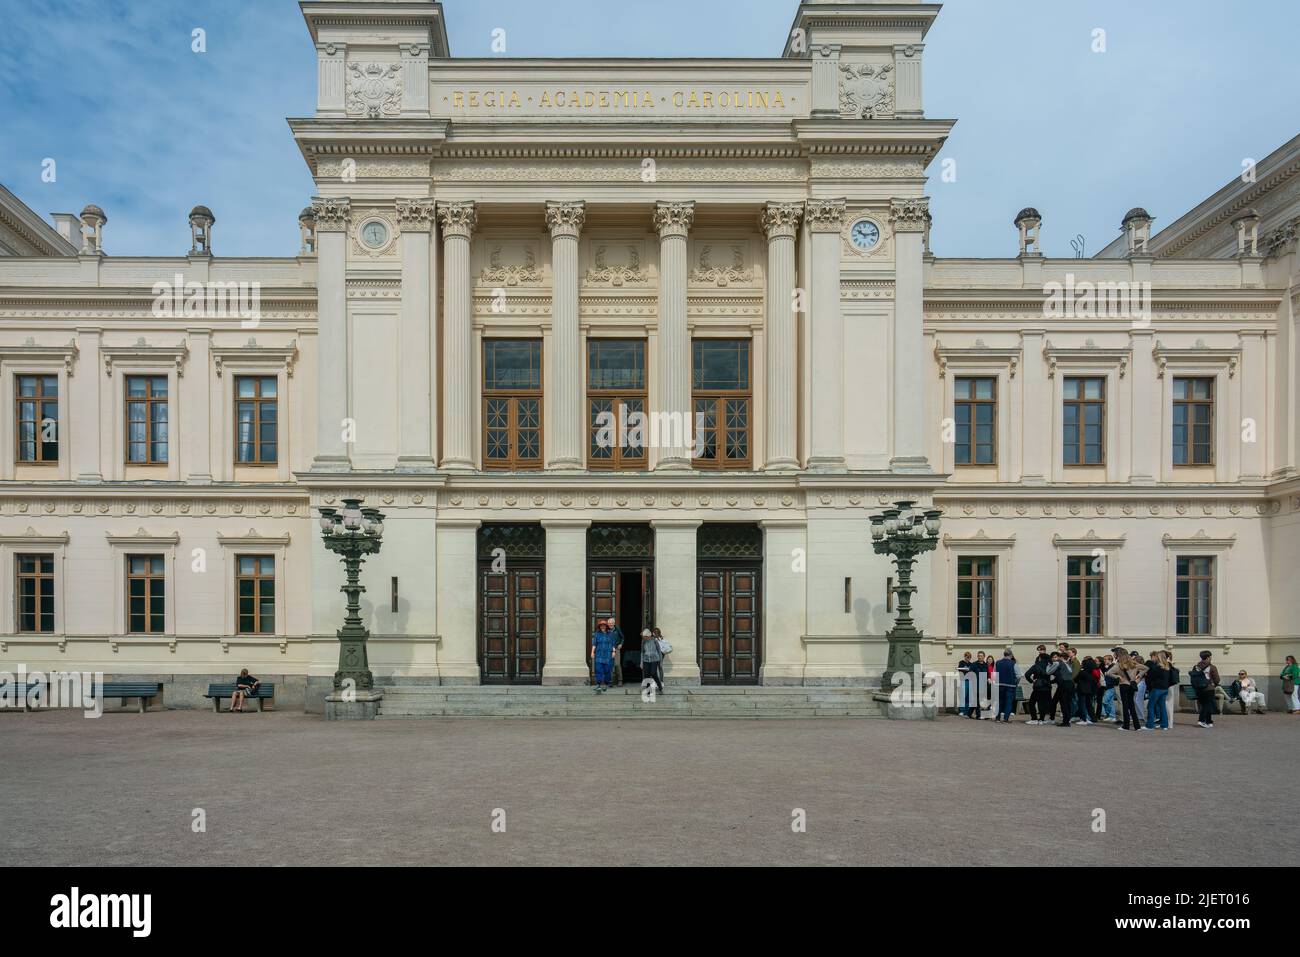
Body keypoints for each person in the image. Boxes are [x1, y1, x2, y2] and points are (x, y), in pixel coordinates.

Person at [1107, 650, 1146, 732]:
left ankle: (1126, 726)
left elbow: (1108, 673)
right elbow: (1146, 668)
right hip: (1132, 685)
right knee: (1132, 705)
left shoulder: (1119, 665)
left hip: (1123, 685)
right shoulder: (1134, 664)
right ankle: (1137, 726)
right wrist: (1139, 676)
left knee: (1125, 706)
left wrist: (1118, 677)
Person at [1190, 650, 1220, 728]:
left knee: (1204, 705)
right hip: (1209, 688)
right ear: (1208, 657)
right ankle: (1201, 720)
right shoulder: (1212, 667)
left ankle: (1209, 721)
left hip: (1199, 689)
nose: (1211, 658)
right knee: (1207, 705)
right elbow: (1217, 679)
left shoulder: (1196, 667)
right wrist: (1214, 684)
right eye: (1210, 657)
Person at [1142, 650, 1171, 731]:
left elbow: (1150, 677)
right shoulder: (1167, 667)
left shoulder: (1157, 668)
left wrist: (1147, 675)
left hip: (1157, 689)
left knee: (1150, 706)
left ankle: (1149, 725)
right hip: (1165, 689)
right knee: (1162, 707)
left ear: (1159, 658)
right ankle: (1164, 725)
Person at [1024, 649, 1053, 725]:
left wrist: (1032, 681)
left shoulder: (1036, 666)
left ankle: (1034, 718)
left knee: (1032, 703)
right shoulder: (1050, 666)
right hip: (1047, 686)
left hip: (1038, 687)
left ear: (1040, 658)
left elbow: (1027, 674)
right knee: (1043, 703)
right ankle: (1041, 719)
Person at [1047, 651, 1075, 728]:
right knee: (1061, 702)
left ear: (1059, 657)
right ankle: (1066, 719)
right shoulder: (1066, 664)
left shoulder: (1057, 663)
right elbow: (1066, 673)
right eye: (1053, 657)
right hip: (1069, 684)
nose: (1054, 658)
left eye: (1056, 657)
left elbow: (1048, 672)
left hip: (1064, 685)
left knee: (1064, 703)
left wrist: (1049, 665)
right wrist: (1052, 681)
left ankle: (1066, 722)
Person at [591, 621, 618, 692]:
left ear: (606, 626)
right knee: (598, 670)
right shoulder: (597, 634)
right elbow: (594, 644)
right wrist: (592, 652)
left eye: (604, 626)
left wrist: (614, 652)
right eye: (601, 626)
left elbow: (613, 644)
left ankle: (606, 685)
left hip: (608, 655)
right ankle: (599, 685)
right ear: (599, 627)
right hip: (599, 654)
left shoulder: (611, 634)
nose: (603, 627)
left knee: (607, 670)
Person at [994, 649, 1018, 722]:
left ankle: (997, 718)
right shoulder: (1013, 663)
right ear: (1011, 655)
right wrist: (1015, 682)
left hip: (999, 685)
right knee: (1008, 702)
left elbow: (994, 673)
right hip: (1010, 686)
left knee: (999, 702)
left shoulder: (997, 663)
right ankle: (1005, 719)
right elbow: (1019, 675)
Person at [1074, 656, 1098, 725]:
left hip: (1082, 689)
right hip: (1089, 690)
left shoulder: (1082, 672)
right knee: (1089, 704)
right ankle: (1092, 718)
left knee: (1082, 704)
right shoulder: (1091, 673)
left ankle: (1084, 719)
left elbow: (1076, 679)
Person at [640, 627, 664, 694]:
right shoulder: (643, 641)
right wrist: (641, 662)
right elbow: (642, 652)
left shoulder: (655, 640)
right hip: (646, 660)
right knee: (646, 674)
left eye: (645, 636)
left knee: (653, 673)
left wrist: (661, 661)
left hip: (654, 659)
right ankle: (648, 690)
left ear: (649, 635)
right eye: (644, 636)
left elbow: (659, 651)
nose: (644, 638)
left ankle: (659, 686)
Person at [1100, 654, 1119, 722]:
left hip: (1111, 686)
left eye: (1106, 659)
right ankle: (1112, 716)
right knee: (1110, 702)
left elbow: (1114, 677)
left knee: (1105, 701)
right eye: (1104, 659)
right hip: (1108, 686)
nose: (1104, 661)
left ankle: (1110, 715)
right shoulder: (1107, 667)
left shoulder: (1113, 666)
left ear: (1110, 660)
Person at [606, 618, 625, 686]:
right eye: (609, 623)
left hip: (616, 648)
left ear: (614, 623)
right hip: (608, 649)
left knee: (617, 664)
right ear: (608, 624)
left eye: (612, 623)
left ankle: (620, 680)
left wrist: (621, 644)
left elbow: (623, 637)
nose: (610, 624)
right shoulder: (606, 630)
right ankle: (610, 681)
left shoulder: (617, 629)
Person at [956, 652, 974, 716]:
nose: (968, 658)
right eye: (967, 656)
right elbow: (959, 670)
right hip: (963, 681)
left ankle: (966, 711)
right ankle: (961, 710)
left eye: (969, 657)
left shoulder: (971, 664)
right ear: (965, 656)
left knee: (968, 697)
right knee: (963, 695)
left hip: (970, 681)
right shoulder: (961, 663)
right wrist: (967, 669)